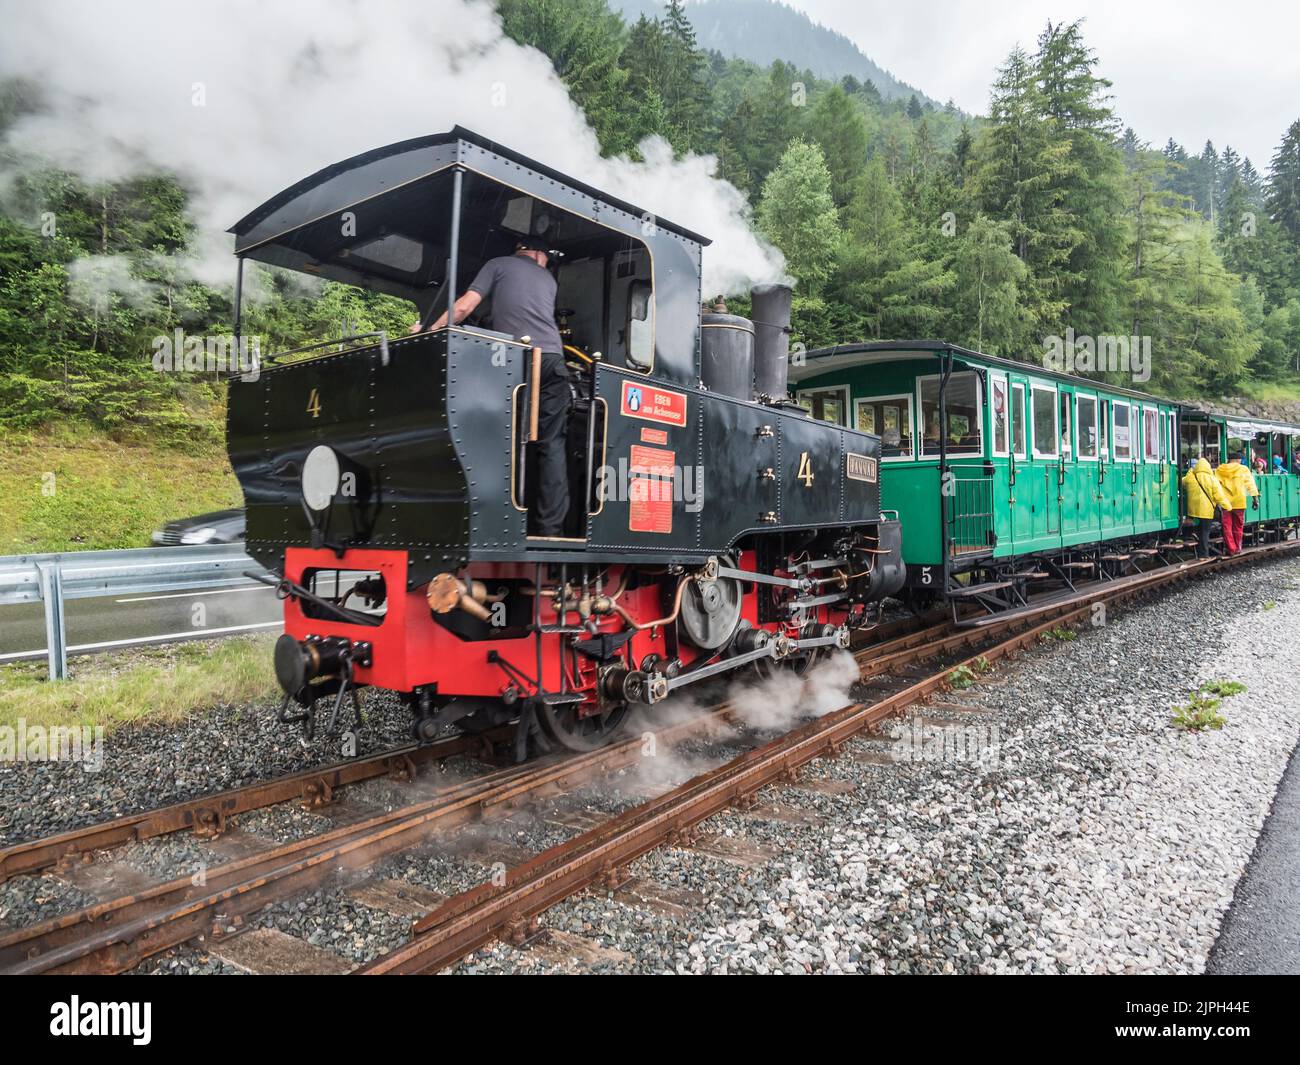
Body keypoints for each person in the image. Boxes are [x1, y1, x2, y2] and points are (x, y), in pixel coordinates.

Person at [414, 237, 571, 537]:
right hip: (553, 359)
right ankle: (551, 529)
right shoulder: (548, 279)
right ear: (538, 255)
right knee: (552, 445)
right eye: (547, 258)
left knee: (502, 438)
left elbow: (464, 306)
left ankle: (495, 524)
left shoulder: (497, 264)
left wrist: (429, 330)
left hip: (519, 359)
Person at [1183, 451, 1230, 559]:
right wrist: (1228, 507)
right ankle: (1203, 555)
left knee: (1197, 530)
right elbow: (1219, 496)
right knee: (1205, 532)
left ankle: (1194, 543)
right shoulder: (1212, 479)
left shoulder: (1191, 477)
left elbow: (1182, 482)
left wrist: (1190, 471)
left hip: (1193, 511)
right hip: (1206, 511)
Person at [1215, 451, 1260, 555]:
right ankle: (1238, 548)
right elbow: (1250, 484)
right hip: (1239, 502)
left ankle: (1231, 549)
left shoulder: (1219, 469)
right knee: (1238, 526)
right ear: (1238, 460)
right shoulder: (1243, 469)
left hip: (1225, 502)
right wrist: (1255, 499)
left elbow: (1216, 486)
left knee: (1227, 527)